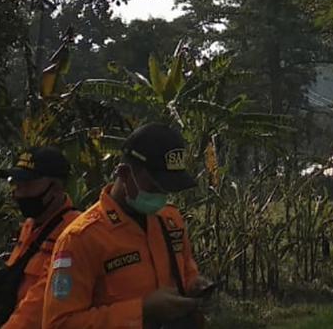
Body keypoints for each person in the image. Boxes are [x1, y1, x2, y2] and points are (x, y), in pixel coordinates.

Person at [42, 123, 212, 329]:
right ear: (124, 174)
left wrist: (194, 284)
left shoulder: (170, 220)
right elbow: (59, 324)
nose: (160, 195)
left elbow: (186, 271)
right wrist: (141, 312)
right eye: (154, 186)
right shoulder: (81, 238)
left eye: (166, 189)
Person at [0, 147, 78, 328]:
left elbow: (41, 303)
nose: (17, 193)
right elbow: (13, 269)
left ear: (56, 188)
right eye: (16, 183)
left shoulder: (73, 234)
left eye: (27, 184)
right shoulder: (30, 224)